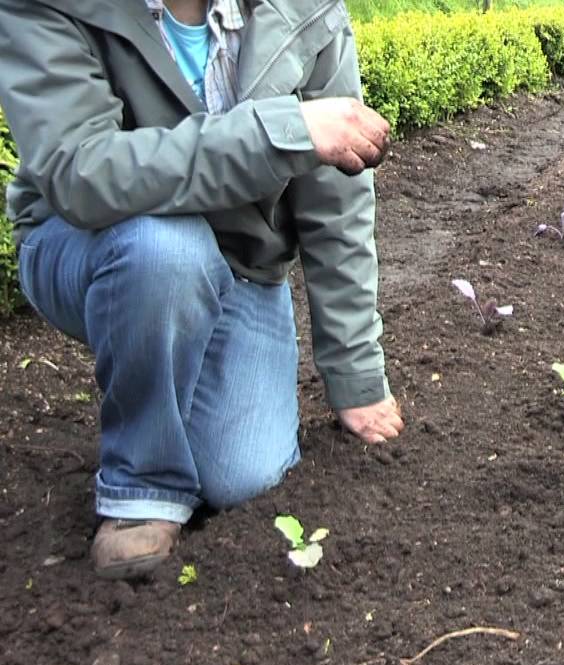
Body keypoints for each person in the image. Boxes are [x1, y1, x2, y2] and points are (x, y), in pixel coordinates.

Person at [0, 0, 406, 579]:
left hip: (241, 260)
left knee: (245, 476)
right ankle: (142, 485)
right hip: (97, 242)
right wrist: (281, 135)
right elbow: (82, 171)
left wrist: (355, 375)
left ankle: (169, 370)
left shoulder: (307, 9)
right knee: (165, 253)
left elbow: (335, 204)